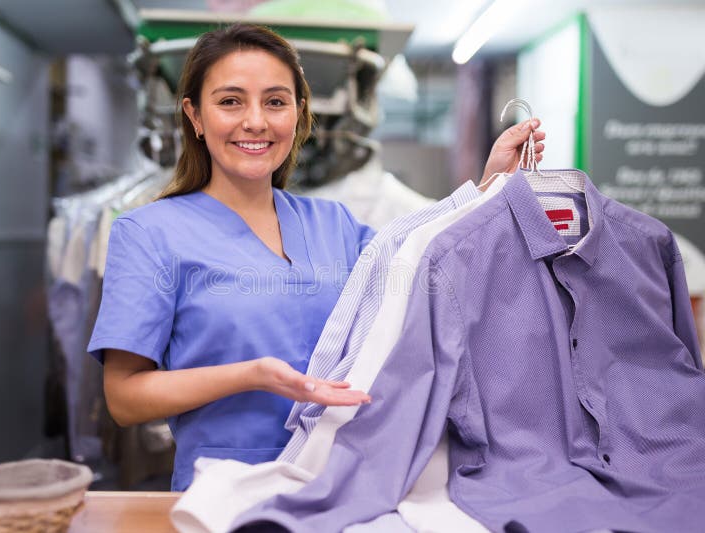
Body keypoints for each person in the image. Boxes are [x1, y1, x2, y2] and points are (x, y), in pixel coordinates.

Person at [87, 23, 546, 491]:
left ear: (298, 114)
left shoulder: (335, 225)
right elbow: (124, 398)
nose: (256, 121)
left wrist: (489, 190)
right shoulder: (148, 233)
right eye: (230, 101)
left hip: (342, 486)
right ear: (195, 116)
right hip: (224, 493)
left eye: (275, 101)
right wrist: (253, 375)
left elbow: (428, 262)